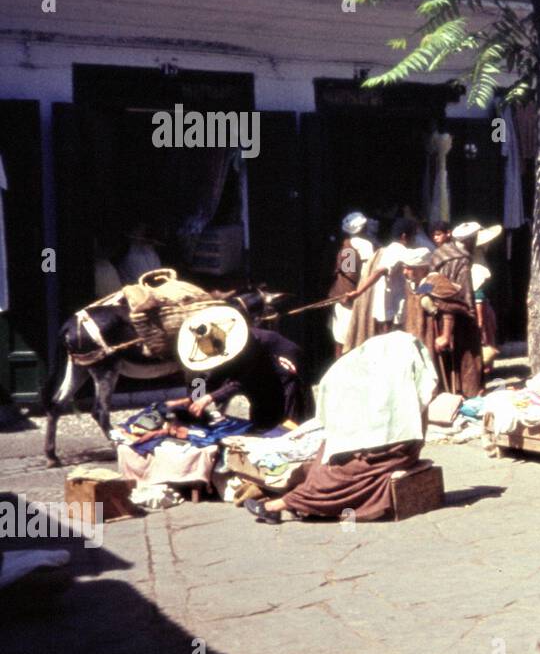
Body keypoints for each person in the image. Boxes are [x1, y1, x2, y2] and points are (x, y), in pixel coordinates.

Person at [244, 331, 437, 525]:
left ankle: (276, 507)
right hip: (381, 447)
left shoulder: (405, 394)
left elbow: (394, 438)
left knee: (339, 472)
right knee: (324, 456)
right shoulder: (391, 389)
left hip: (393, 452)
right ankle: (304, 503)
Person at [174, 305, 311, 431]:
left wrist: (210, 397)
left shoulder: (249, 342)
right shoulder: (211, 347)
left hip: (281, 368)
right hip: (253, 373)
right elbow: (208, 376)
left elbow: (243, 380)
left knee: (286, 421)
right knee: (261, 418)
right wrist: (195, 396)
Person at [342, 217, 423, 350]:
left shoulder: (349, 245)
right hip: (388, 302)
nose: (414, 239)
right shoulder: (386, 249)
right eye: (413, 235)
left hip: (379, 298)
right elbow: (377, 272)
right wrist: (358, 291)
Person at [426, 222, 486, 397]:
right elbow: (464, 295)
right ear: (471, 240)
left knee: (447, 361)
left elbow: (428, 282)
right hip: (458, 315)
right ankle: (469, 394)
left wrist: (423, 295)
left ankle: (450, 395)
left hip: (437, 311)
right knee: (468, 359)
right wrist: (473, 315)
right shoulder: (463, 261)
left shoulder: (437, 255)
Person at [329, 212, 376, 358]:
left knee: (340, 338)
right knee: (353, 337)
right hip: (355, 296)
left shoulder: (344, 244)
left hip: (342, 297)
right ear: (362, 228)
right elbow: (364, 272)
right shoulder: (365, 245)